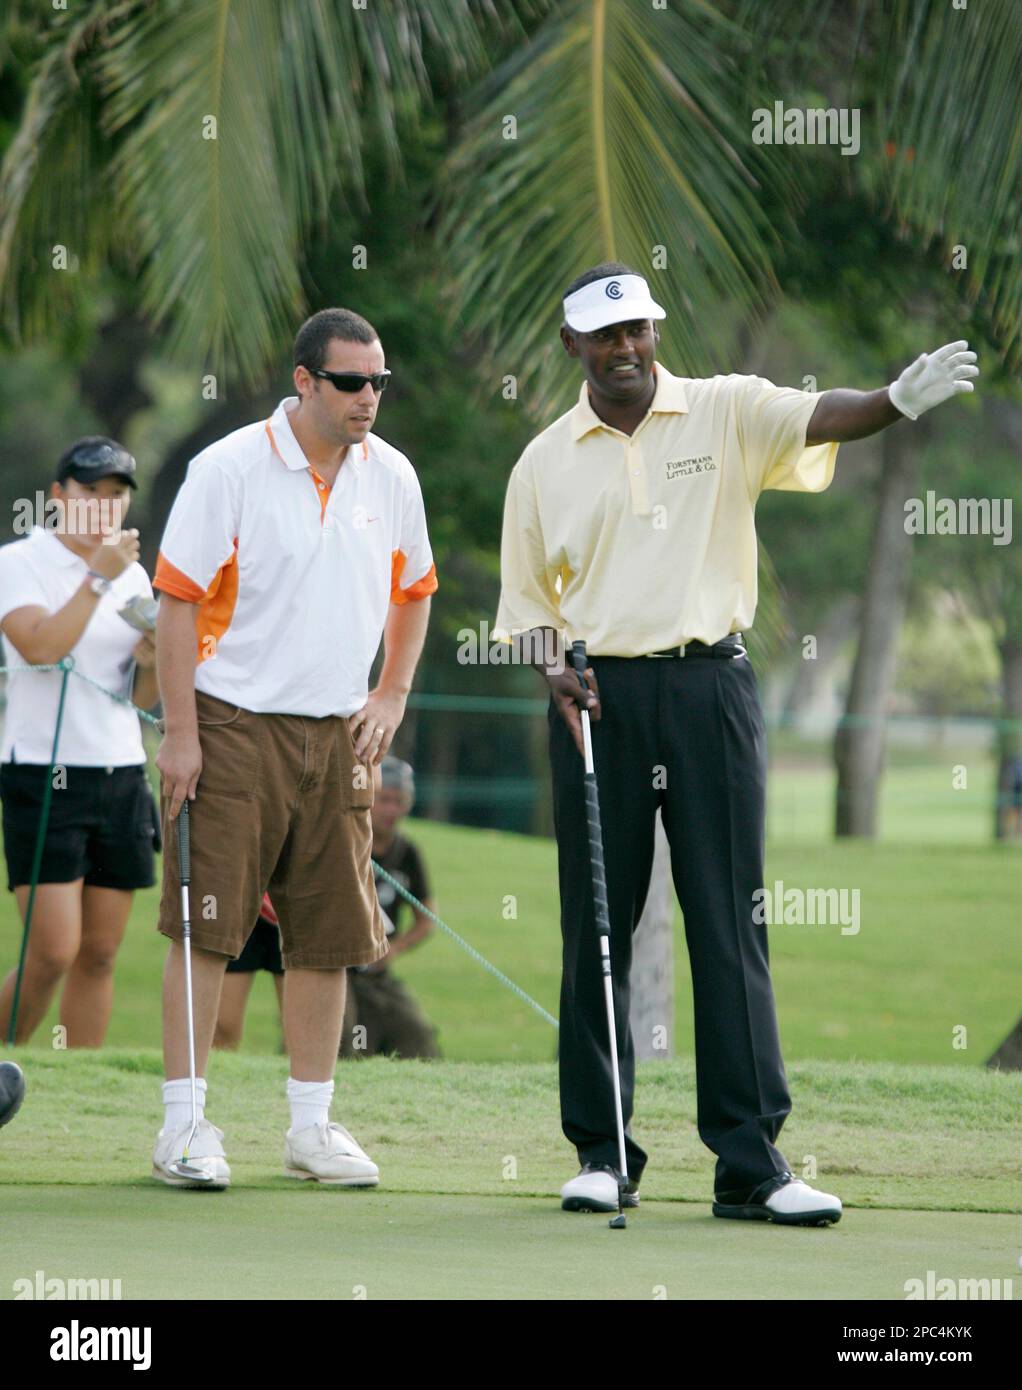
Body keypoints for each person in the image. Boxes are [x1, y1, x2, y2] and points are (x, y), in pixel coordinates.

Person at [494, 263, 978, 1224]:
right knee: (597, 923)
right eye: (606, 335)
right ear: (573, 347)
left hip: (712, 684)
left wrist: (894, 400)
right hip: (600, 700)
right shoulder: (543, 461)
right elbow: (528, 608)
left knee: (729, 920)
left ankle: (751, 1164)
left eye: (638, 329)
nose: (625, 347)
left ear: (653, 332)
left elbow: (819, 416)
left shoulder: (722, 410)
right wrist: (552, 670)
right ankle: (602, 1151)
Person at [151, 306, 436, 1189]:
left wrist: (390, 691)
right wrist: (184, 738)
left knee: (327, 935)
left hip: (339, 729)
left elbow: (415, 587)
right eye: (352, 382)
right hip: (232, 723)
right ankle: (184, 1127)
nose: (369, 398)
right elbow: (175, 603)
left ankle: (311, 1128)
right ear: (305, 382)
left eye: (379, 381)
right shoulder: (228, 467)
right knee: (207, 929)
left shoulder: (390, 476)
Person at [0, 438, 160, 1046]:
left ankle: (80, 1081)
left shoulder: (134, 575)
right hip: (43, 772)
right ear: (59, 496)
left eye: (116, 494)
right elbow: (40, 648)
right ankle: (6, 1072)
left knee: (98, 953)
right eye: (90, 491)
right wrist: (98, 577)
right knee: (52, 952)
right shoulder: (21, 562)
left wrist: (149, 662)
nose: (103, 504)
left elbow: (135, 701)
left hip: (119, 773)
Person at [341, 756, 439, 1059]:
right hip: (339, 970)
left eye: (400, 801)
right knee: (345, 1041)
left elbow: (426, 920)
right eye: (384, 800)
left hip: (377, 973)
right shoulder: (346, 842)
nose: (391, 810)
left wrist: (394, 949)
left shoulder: (408, 853)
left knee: (417, 1037)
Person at [213, 892, 286, 1052]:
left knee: (298, 1027)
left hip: (296, 903)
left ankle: (299, 1076)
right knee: (222, 1026)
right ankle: (218, 1075)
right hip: (239, 903)